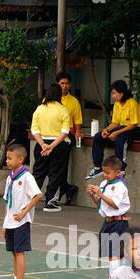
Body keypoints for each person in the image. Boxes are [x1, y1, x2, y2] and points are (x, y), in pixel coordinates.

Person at [0, 141, 42, 279]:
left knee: (19, 252)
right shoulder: (10, 178)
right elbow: (7, 202)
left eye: (10, 158)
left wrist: (25, 212)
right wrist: (4, 224)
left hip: (21, 221)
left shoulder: (26, 177)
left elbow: (37, 195)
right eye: (7, 158)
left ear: (20, 160)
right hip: (11, 220)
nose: (7, 161)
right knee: (13, 252)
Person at [89, 156, 131, 279]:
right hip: (107, 222)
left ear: (118, 172)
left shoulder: (120, 186)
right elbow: (102, 206)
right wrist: (93, 196)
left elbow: (114, 204)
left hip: (118, 222)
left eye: (108, 172)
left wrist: (100, 194)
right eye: (104, 172)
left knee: (115, 254)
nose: (105, 175)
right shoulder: (104, 184)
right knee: (110, 253)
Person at [87, 80, 140, 179]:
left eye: (114, 93)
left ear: (122, 93)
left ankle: (121, 170)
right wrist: (106, 130)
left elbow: (133, 125)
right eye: (112, 94)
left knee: (120, 139)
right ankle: (97, 168)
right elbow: (115, 123)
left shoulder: (132, 104)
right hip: (122, 128)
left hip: (137, 130)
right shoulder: (117, 104)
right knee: (98, 136)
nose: (113, 96)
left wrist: (116, 132)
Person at [31, 83, 72, 213]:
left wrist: (43, 144)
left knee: (38, 172)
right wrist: (52, 146)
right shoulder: (63, 110)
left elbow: (34, 129)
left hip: (41, 144)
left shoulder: (39, 109)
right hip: (59, 145)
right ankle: (50, 202)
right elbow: (65, 131)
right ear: (59, 94)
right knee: (56, 173)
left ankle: (29, 201)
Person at [56, 71, 83, 205]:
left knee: (61, 165)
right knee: (54, 166)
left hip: (67, 136)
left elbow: (77, 119)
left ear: (70, 85)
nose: (65, 86)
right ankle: (66, 188)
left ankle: (64, 189)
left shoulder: (74, 101)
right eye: (62, 83)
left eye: (67, 83)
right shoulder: (50, 98)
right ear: (57, 84)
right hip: (51, 136)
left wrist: (78, 131)